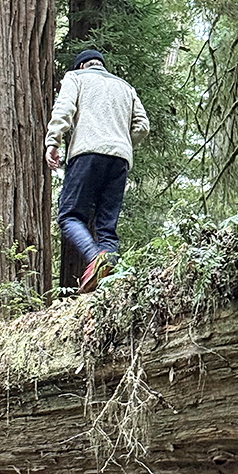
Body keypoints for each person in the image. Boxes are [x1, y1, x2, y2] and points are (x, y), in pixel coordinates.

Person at [45, 49, 150, 292]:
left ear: (82, 66)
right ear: (100, 65)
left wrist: (53, 143)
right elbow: (142, 126)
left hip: (87, 152)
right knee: (106, 227)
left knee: (69, 215)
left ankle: (95, 258)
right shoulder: (126, 88)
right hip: (120, 158)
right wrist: (121, 140)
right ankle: (108, 284)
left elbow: (64, 110)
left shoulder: (76, 78)